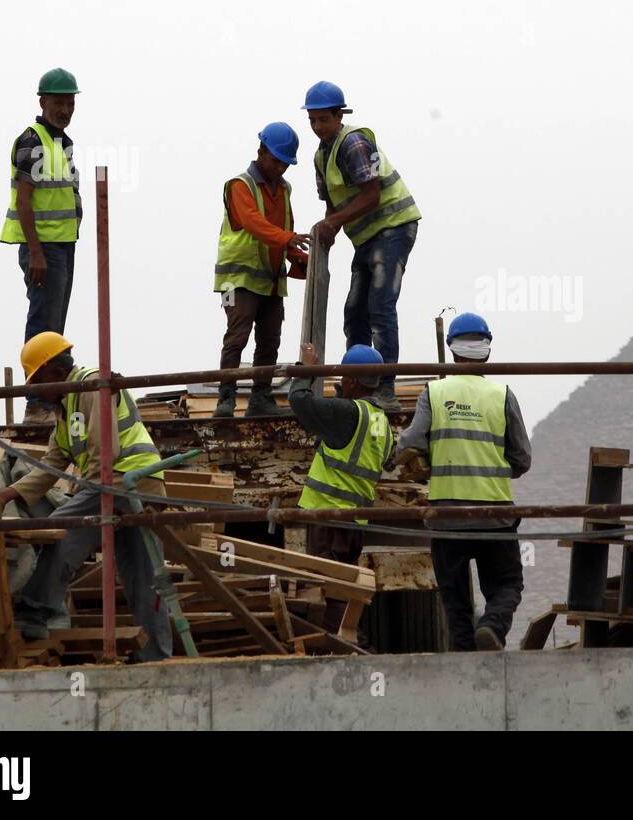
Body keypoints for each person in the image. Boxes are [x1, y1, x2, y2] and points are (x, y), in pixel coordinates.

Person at [0, 331, 172, 661]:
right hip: (123, 485)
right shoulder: (66, 410)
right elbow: (51, 465)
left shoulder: (91, 385)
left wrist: (84, 492)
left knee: (62, 528)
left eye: (36, 381)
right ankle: (155, 655)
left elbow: (104, 450)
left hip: (127, 480)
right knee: (141, 574)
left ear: (53, 370)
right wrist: (8, 494)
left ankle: (34, 610)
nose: (34, 391)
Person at [395, 313, 531, 650]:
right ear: (487, 352)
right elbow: (522, 459)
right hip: (495, 514)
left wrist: (398, 456)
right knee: (507, 585)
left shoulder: (434, 391)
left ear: (451, 350)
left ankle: (465, 663)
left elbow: (412, 441)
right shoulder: (502, 394)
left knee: (455, 600)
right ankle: (492, 626)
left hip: (447, 516)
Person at [304, 81, 421, 413]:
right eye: (312, 120)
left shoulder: (352, 142)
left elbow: (372, 195)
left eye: (323, 119)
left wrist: (335, 222)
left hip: (394, 227)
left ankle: (384, 388)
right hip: (367, 238)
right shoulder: (321, 156)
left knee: (380, 308)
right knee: (355, 311)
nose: (317, 126)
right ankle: (358, 382)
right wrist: (325, 231)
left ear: (339, 115)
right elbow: (332, 205)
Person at [289, 341, 394, 633]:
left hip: (328, 517)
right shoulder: (381, 422)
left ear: (349, 379)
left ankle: (344, 647)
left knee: (327, 588)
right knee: (343, 588)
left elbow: (300, 401)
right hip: (354, 523)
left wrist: (307, 370)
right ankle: (349, 640)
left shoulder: (346, 414)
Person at [0, 68, 82, 424]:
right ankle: (37, 405)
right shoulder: (33, 141)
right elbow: (25, 200)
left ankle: (49, 402)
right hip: (44, 248)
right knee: (43, 326)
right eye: (58, 102)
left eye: (69, 102)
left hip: (63, 246)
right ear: (42, 102)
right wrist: (34, 252)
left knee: (54, 328)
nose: (64, 109)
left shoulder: (62, 143)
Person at [213, 122, 310, 417]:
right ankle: (226, 399)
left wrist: (295, 253)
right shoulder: (240, 185)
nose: (281, 167)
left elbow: (282, 229)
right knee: (237, 336)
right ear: (261, 152)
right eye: (276, 160)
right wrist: (287, 239)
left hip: (269, 278)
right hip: (238, 279)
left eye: (286, 163)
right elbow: (253, 222)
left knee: (270, 339)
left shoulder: (283, 189)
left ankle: (260, 398)